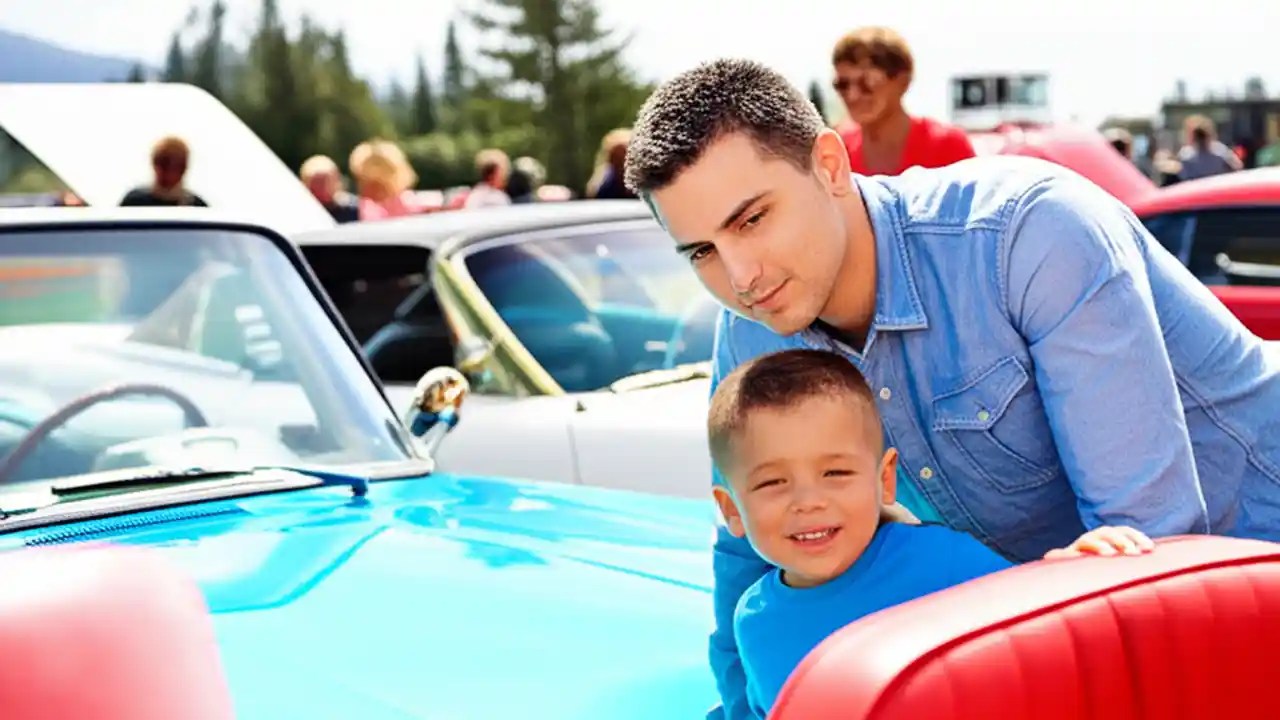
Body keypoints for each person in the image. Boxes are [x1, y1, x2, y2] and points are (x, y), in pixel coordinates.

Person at [622, 58, 1280, 720]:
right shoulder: (751, 330)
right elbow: (744, 560)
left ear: (829, 164)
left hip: (1243, 570)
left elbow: (1147, 550)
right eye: (700, 251)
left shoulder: (1028, 233)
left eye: (751, 220)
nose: (739, 276)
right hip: (1076, 617)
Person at [711, 348, 1153, 716]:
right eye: (772, 483)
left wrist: (1070, 574)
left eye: (836, 472)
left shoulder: (943, 563)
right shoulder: (755, 622)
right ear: (732, 509)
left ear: (885, 480)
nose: (808, 501)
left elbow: (1043, 632)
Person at [830, 27, 974, 176]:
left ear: (902, 81)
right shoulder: (835, 151)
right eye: (842, 84)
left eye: (867, 83)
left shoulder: (947, 146)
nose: (852, 95)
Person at [119, 135, 208, 207]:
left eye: (175, 167)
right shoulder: (134, 203)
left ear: (184, 168)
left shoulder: (197, 208)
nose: (168, 174)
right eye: (163, 165)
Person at [349, 139, 424, 221]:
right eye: (364, 180)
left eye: (377, 183)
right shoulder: (366, 206)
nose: (368, 188)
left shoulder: (411, 204)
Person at [1176, 115, 1242, 181]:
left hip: (1214, 186)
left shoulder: (1219, 150)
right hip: (1203, 187)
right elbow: (1237, 166)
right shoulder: (1186, 154)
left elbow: (1236, 166)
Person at [299, 155, 359, 223]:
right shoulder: (299, 213)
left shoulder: (353, 210)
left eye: (326, 182)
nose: (322, 187)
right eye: (317, 182)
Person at [586, 128, 638, 199]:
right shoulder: (604, 185)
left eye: (625, 154)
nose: (622, 160)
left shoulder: (644, 182)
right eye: (616, 155)